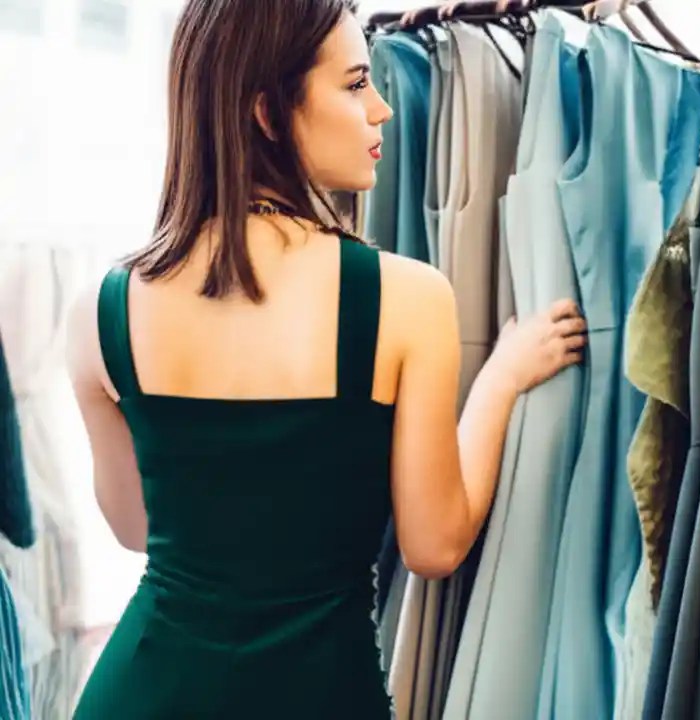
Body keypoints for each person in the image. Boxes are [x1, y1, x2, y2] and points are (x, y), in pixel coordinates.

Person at [64, 1, 584, 717]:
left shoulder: (102, 310)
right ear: (267, 113)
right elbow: (435, 544)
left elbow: (136, 528)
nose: (381, 111)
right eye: (354, 84)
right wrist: (499, 378)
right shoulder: (406, 299)